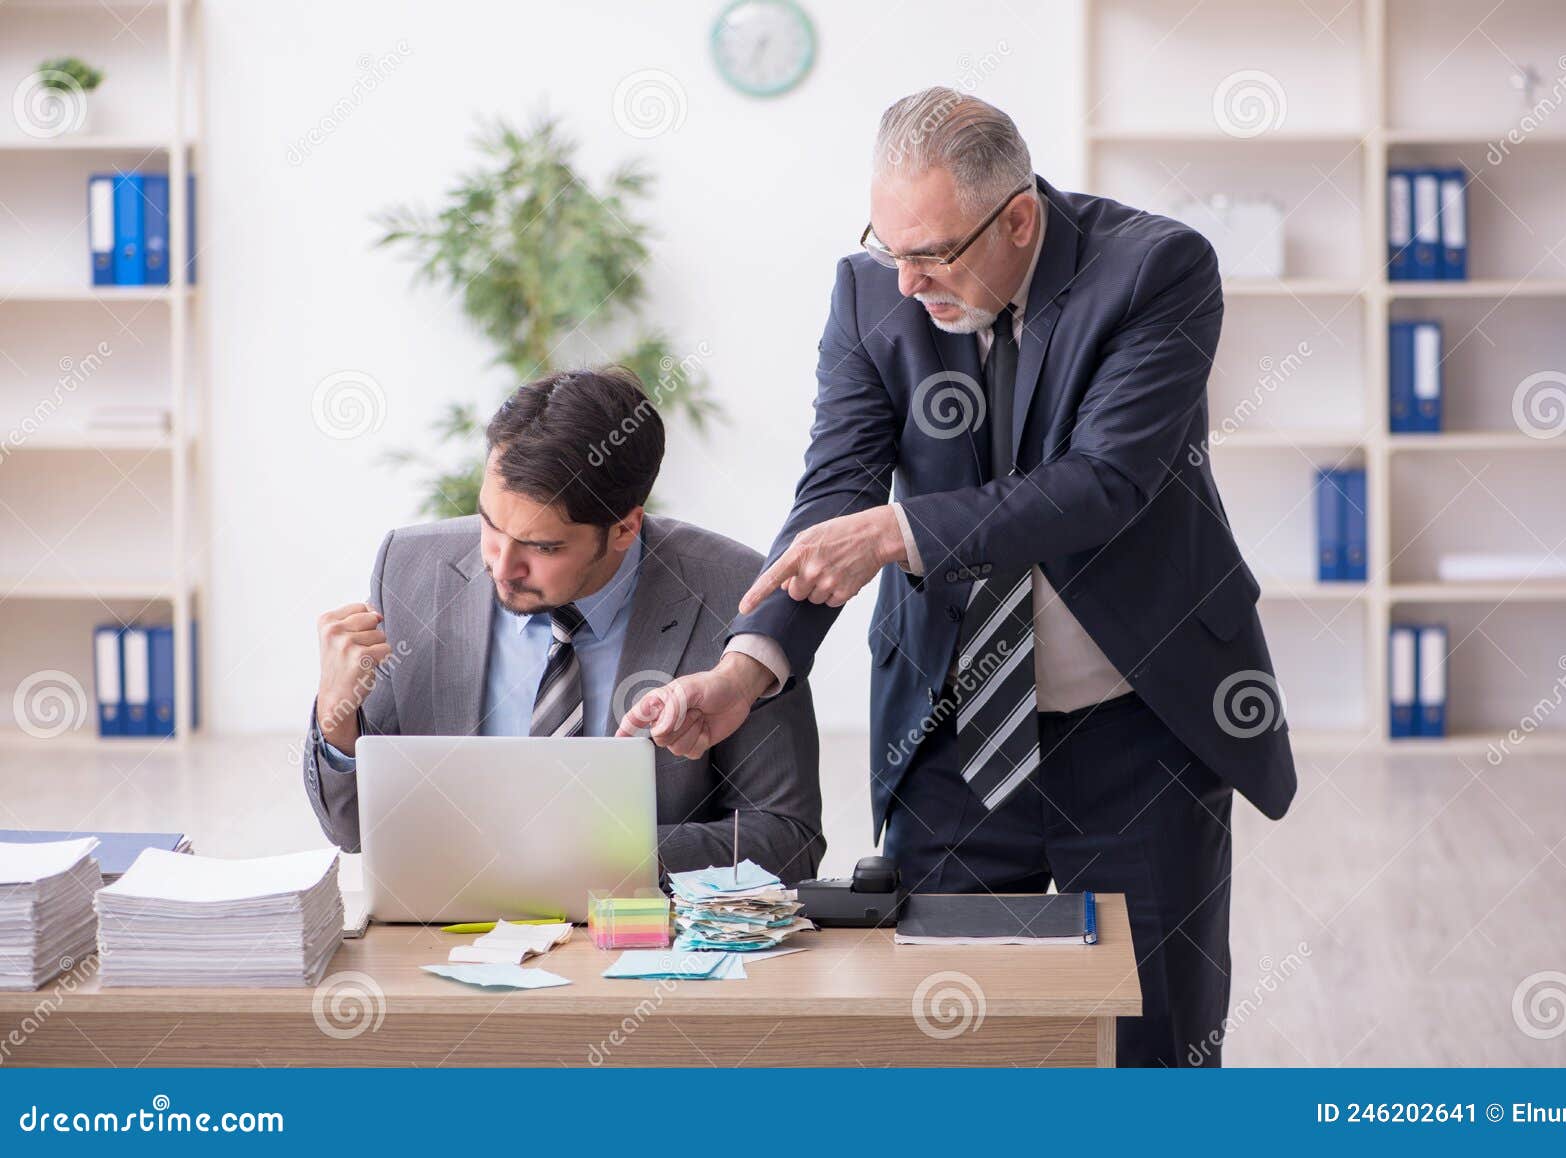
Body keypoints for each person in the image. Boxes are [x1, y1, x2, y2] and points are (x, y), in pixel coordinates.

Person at [619, 88, 1297, 1065]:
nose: (906, 282)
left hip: (1141, 725)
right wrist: (743, 671)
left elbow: (1103, 482)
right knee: (950, 1040)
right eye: (888, 247)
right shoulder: (871, 295)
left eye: (932, 254)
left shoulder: (1154, 270)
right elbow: (835, 494)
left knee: (1155, 1042)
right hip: (951, 732)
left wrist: (897, 532)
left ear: (1017, 219)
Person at [303, 366, 824, 882]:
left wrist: (600, 854)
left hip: (640, 927)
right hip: (446, 926)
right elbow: (353, 831)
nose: (501, 566)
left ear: (624, 529)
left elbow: (787, 840)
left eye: (541, 547)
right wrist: (336, 718)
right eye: (490, 524)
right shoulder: (412, 570)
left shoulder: (738, 593)